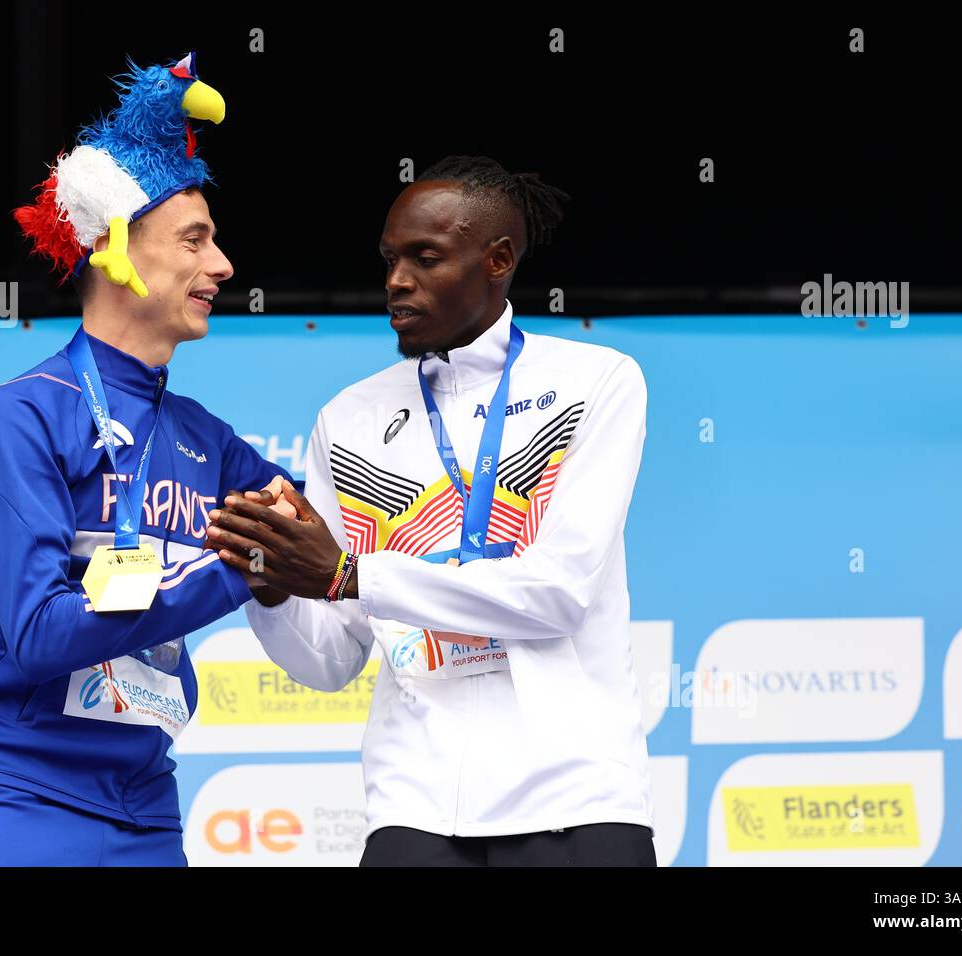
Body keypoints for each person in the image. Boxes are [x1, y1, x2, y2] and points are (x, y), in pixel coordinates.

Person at [208, 156, 656, 866]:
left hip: (578, 798)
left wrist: (352, 573)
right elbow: (331, 658)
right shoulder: (349, 417)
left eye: (425, 258)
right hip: (414, 807)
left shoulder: (594, 383)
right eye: (389, 260)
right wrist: (270, 583)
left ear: (498, 259)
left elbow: (559, 594)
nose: (396, 281)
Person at [0, 52, 290, 866]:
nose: (222, 266)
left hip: (146, 805)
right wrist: (238, 566)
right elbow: (44, 634)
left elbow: (296, 519)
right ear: (118, 248)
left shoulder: (205, 435)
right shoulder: (22, 415)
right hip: (14, 793)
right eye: (195, 240)